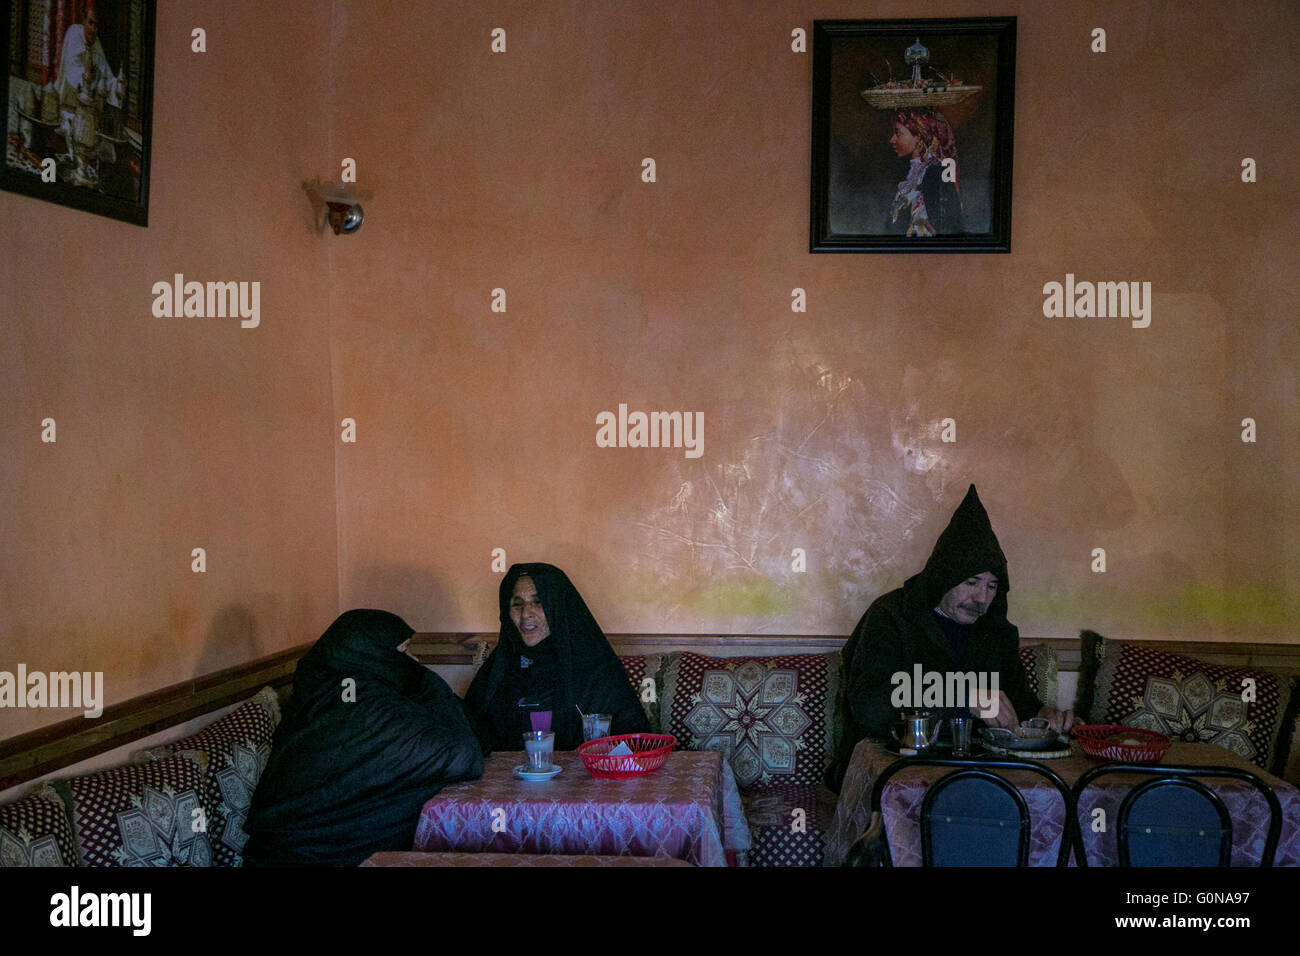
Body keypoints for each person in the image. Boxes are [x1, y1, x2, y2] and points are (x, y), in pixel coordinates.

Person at [826, 485, 1076, 791]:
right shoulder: (891, 616)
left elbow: (1014, 698)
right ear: (944, 576)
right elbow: (870, 704)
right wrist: (964, 699)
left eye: (992, 586)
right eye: (971, 582)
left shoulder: (995, 631)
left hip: (977, 771)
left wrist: (1042, 715)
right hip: (895, 770)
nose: (981, 598)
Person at [242, 609, 483, 866]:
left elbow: (477, 730)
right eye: (403, 652)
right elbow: (463, 755)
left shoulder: (327, 687)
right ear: (371, 655)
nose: (414, 660)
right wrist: (426, 680)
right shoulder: (361, 706)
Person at [464, 563, 649, 752]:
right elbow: (468, 737)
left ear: (559, 609)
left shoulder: (596, 667)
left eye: (539, 602)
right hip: (508, 780)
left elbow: (634, 741)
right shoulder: (498, 671)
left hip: (585, 780)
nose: (526, 613)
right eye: (517, 604)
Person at [884, 107, 963, 236]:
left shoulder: (935, 173)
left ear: (919, 137)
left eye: (898, 133)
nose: (892, 139)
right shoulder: (915, 172)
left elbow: (944, 226)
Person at [53, 1, 124, 109]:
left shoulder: (96, 43)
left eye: (96, 25)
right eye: (90, 23)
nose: (93, 29)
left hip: (89, 105)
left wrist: (117, 83)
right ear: (84, 21)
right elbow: (72, 72)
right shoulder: (74, 33)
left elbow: (106, 74)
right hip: (68, 102)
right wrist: (88, 76)